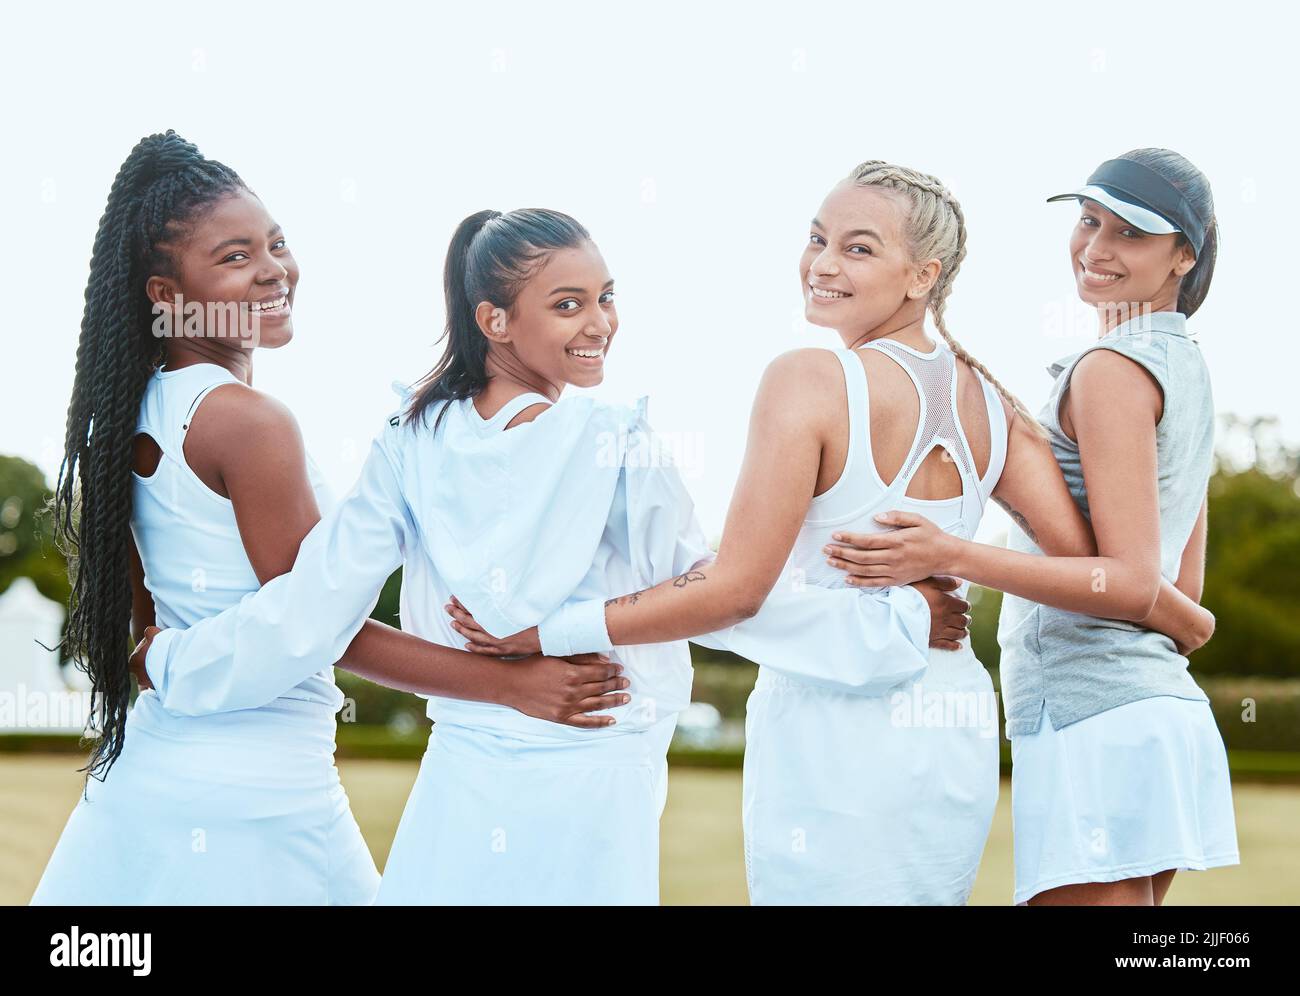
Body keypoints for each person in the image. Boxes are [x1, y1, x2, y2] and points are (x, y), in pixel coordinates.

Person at [33, 133, 623, 906]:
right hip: (262, 795)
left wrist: (160, 662)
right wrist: (509, 686)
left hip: (154, 773)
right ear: (164, 292)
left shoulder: (126, 416)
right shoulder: (248, 422)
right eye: (235, 257)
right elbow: (322, 623)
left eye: (275, 243)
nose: (274, 269)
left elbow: (146, 632)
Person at [825, 149, 1238, 906]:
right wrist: (1189, 619)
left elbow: (1135, 582)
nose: (1096, 248)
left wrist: (950, 552)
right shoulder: (1187, 368)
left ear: (1185, 255)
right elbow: (1181, 592)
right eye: (1088, 221)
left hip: (1095, 715)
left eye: (1130, 234)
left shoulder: (1111, 370)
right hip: (1157, 714)